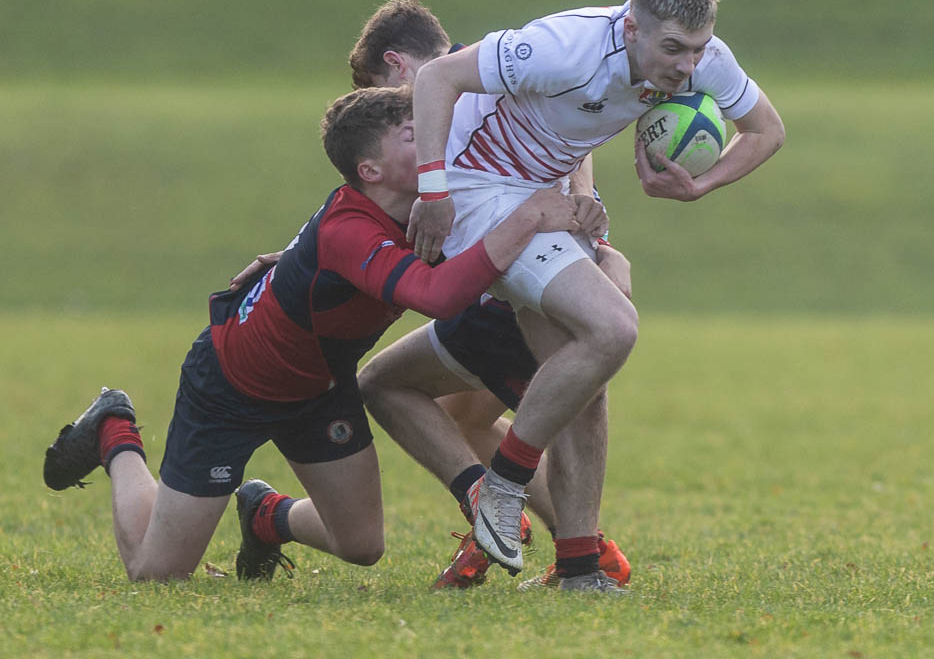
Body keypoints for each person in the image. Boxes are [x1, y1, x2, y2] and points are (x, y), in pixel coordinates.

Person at [42, 85, 594, 582]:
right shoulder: (350, 229)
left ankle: (265, 515)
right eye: (412, 133)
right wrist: (528, 219)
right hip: (231, 389)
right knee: (157, 574)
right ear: (371, 170)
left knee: (361, 545)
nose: (433, 137)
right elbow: (437, 297)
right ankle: (115, 433)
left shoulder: (429, 204)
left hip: (318, 390)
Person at [407, 0, 785, 591]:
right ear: (632, 28)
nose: (687, 66)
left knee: (586, 368)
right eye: (673, 48)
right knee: (613, 327)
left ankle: (581, 565)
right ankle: (503, 482)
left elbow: (766, 130)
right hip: (482, 193)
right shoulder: (564, 46)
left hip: (547, 195)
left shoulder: (700, 57)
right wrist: (434, 192)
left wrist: (700, 187)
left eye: (697, 48)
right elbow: (436, 79)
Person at [231, 0, 633, 591]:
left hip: (519, 291)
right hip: (504, 292)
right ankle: (555, 541)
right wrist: (299, 255)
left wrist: (587, 221)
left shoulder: (464, 94)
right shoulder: (492, 85)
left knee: (539, 398)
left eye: (380, 92)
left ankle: (561, 546)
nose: (392, 114)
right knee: (470, 417)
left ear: (397, 66)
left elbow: (557, 160)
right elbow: (379, 208)